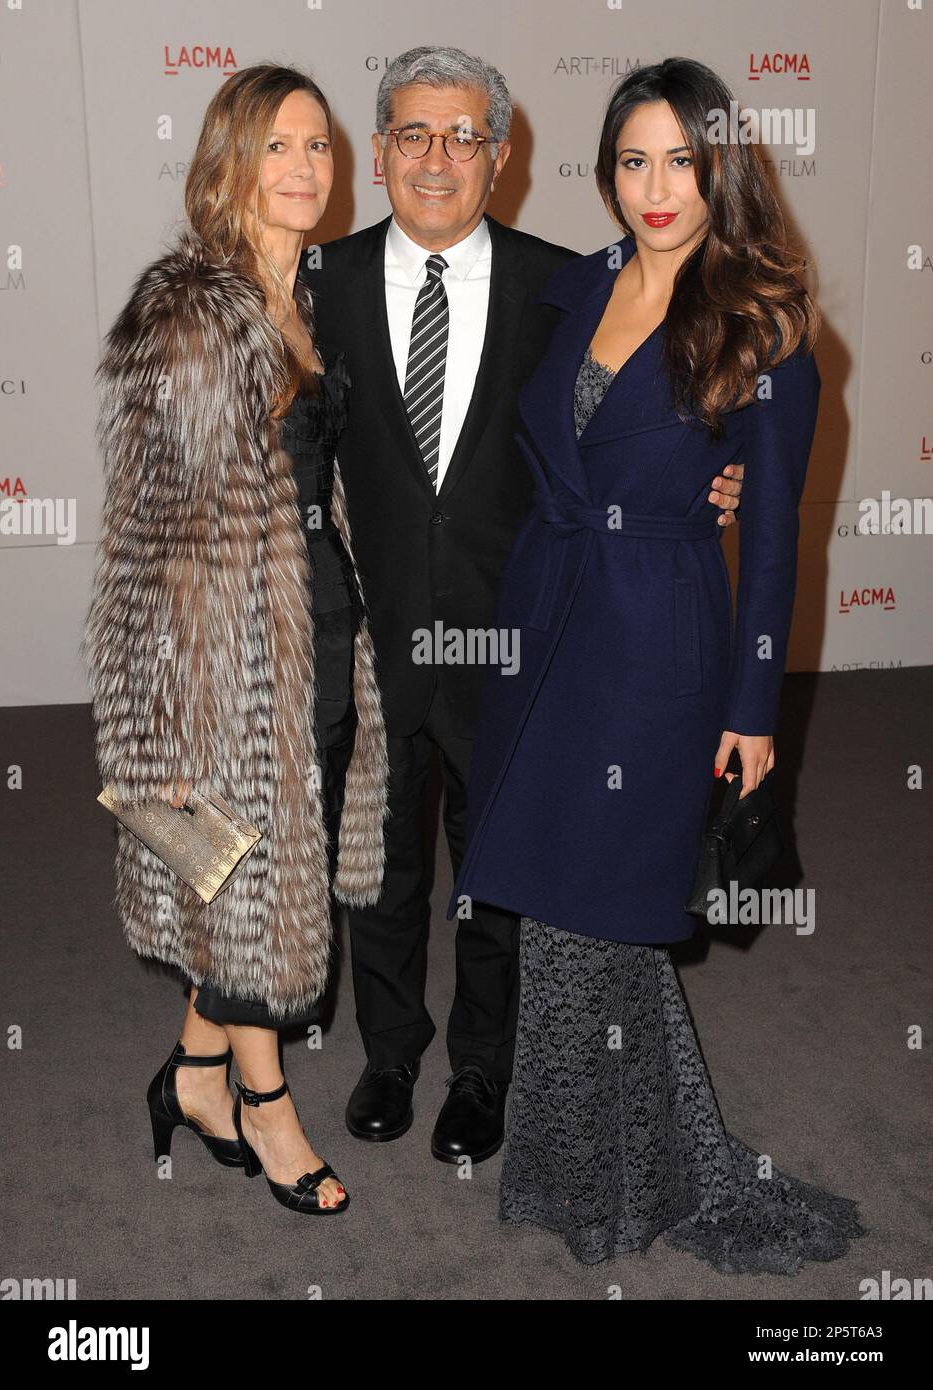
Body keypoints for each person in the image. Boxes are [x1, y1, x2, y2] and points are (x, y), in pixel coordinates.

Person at [447, 58, 868, 1271]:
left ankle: (623, 1177)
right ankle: (598, 1161)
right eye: (632, 161)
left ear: (720, 164)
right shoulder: (577, 285)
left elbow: (779, 535)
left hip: (656, 640)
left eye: (680, 159)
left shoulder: (766, 323)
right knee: (553, 899)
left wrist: (753, 707)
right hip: (550, 612)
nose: (654, 188)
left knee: (599, 908)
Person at [300, 46, 745, 1164]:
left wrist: (718, 466)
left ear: (501, 157)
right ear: (381, 149)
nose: (436, 158)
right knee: (383, 860)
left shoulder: (567, 282)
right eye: (412, 133)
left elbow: (662, 383)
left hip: (522, 633)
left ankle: (481, 1074)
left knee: (492, 863)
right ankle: (390, 1052)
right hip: (372, 632)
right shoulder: (322, 283)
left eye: (463, 136)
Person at [82, 64, 389, 1216]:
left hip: (319, 620)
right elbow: (148, 540)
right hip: (227, 663)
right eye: (279, 146)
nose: (306, 167)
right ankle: (265, 1104)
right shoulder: (188, 312)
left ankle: (198, 1073)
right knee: (254, 884)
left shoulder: (307, 292)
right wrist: (166, 715)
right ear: (230, 161)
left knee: (270, 867)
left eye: (318, 146)